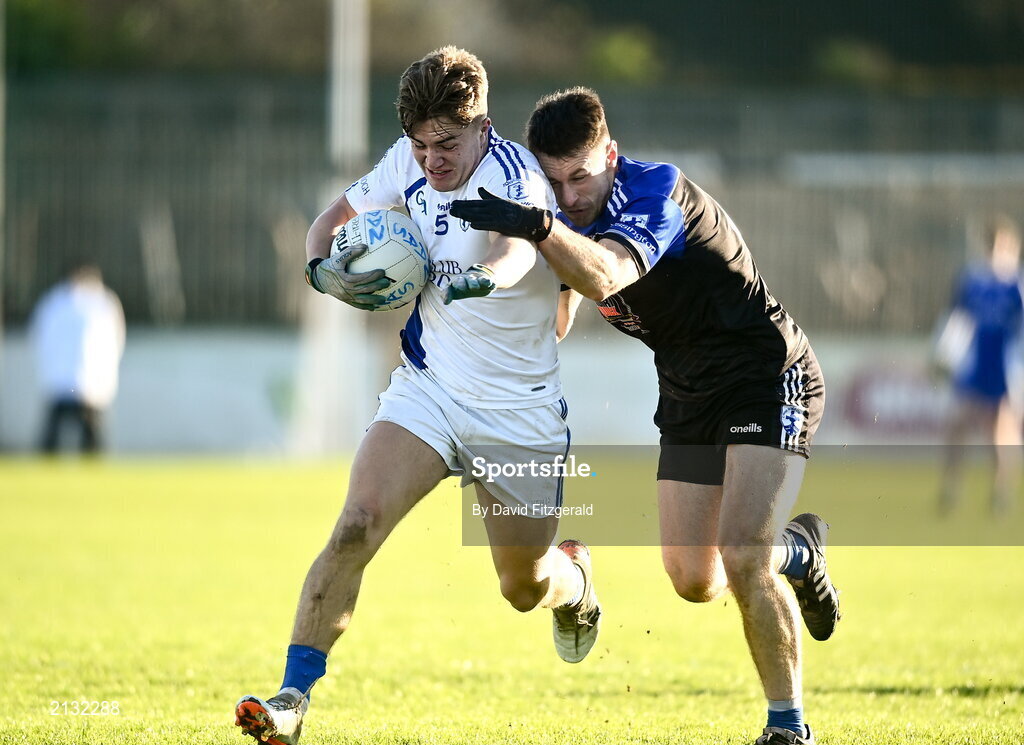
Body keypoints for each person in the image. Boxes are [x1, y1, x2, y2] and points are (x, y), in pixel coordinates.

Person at [451, 87, 840, 745]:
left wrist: (544, 231)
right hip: (688, 391)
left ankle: (788, 726)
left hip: (764, 373)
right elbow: (559, 306)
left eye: (581, 176)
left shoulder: (656, 194)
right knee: (696, 578)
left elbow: (605, 273)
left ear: (610, 153)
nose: (569, 194)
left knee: (742, 551)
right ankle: (796, 553)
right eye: (554, 181)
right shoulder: (558, 207)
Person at [234, 50, 601, 745]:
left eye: (448, 145)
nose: (432, 161)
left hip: (516, 410)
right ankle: (291, 698)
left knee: (522, 587)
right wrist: (322, 272)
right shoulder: (406, 162)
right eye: (421, 144)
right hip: (428, 390)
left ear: (484, 128)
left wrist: (483, 280)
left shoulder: (518, 176)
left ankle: (575, 583)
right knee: (354, 525)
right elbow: (330, 221)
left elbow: (516, 250)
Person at [934, 214, 1024, 516]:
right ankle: (950, 488)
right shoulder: (972, 281)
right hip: (975, 362)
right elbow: (957, 319)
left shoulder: (1017, 285)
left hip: (1006, 364)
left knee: (1001, 428)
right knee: (958, 423)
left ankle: (1000, 491)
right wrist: (944, 355)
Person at [29, 262, 125, 454]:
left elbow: (114, 339)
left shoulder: (102, 302)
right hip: (62, 379)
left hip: (89, 380)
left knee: (91, 433)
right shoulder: (56, 302)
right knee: (55, 433)